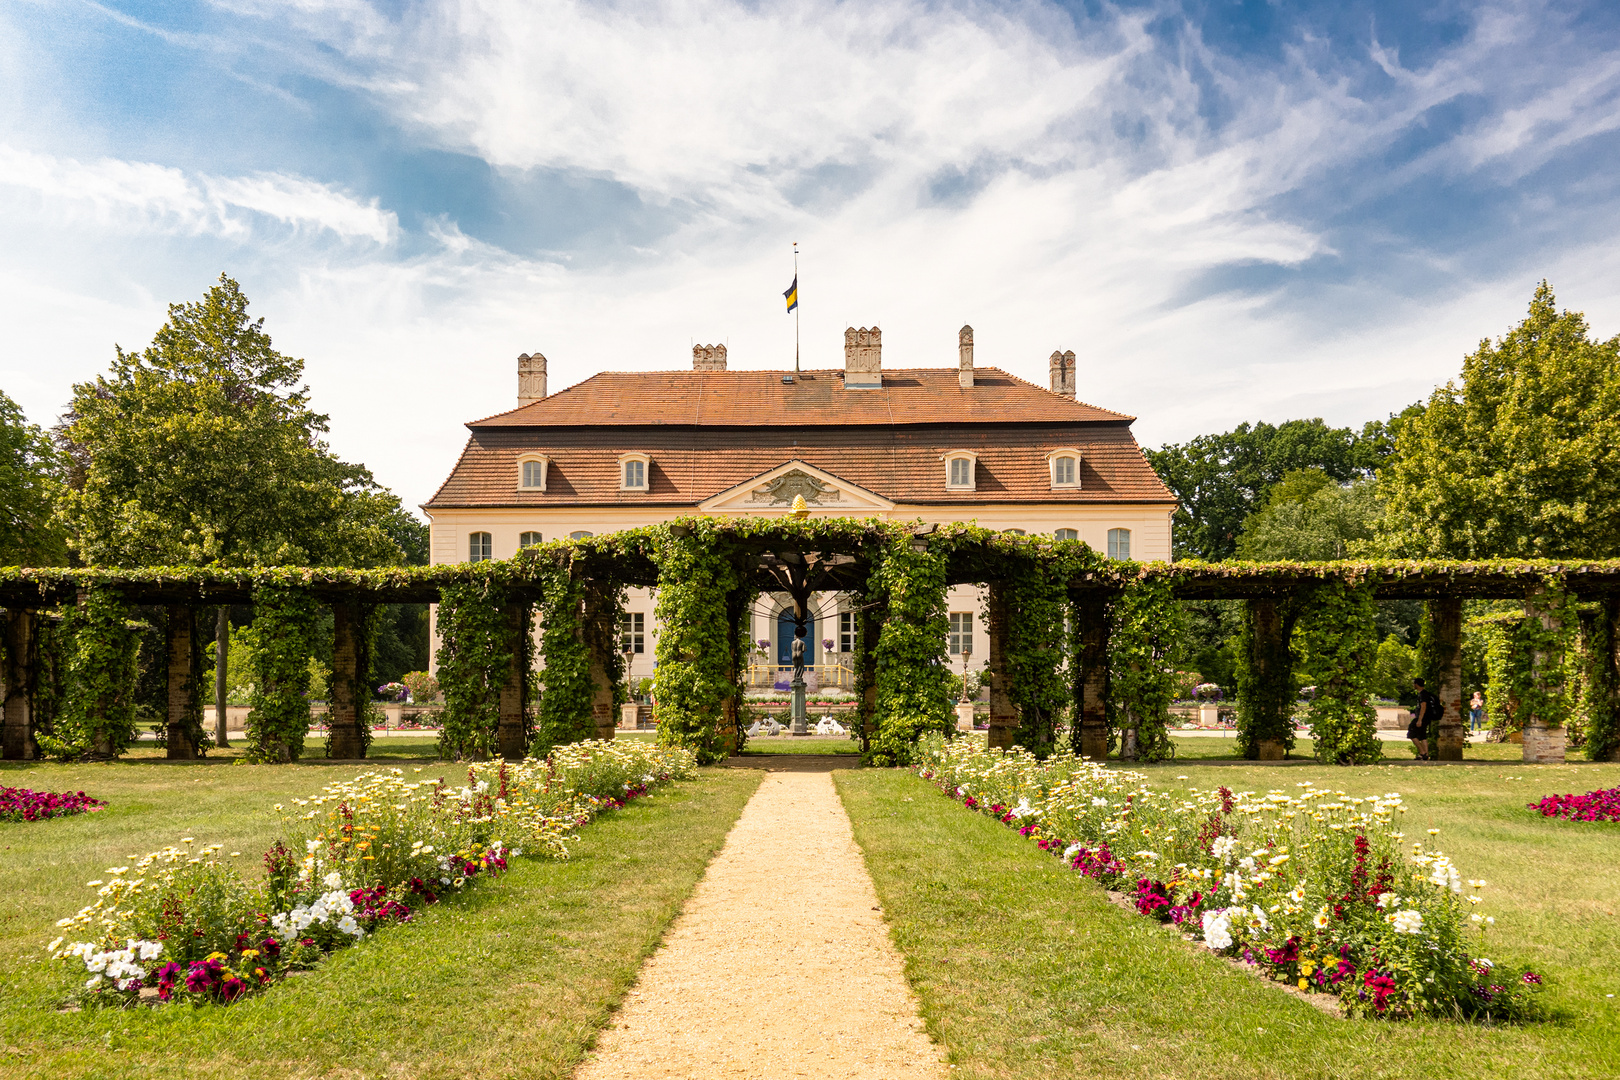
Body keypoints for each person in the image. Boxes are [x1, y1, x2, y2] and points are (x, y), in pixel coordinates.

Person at [1408, 677, 1442, 760]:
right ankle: (1425, 755)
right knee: (1423, 735)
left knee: (1411, 733)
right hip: (1427, 718)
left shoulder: (1423, 694)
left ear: (1416, 684)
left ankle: (1422, 752)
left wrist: (1419, 719)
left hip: (1422, 717)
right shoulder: (1426, 693)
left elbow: (1423, 706)